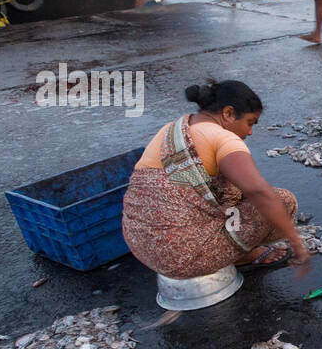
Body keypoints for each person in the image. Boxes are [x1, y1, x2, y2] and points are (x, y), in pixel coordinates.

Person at [122, 81, 310, 279]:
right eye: (250, 122)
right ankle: (241, 256)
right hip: (184, 259)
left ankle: (224, 246)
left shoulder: (171, 129)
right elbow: (259, 192)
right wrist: (297, 243)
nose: (250, 132)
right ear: (228, 113)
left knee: (231, 186)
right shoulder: (223, 139)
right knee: (282, 201)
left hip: (141, 245)